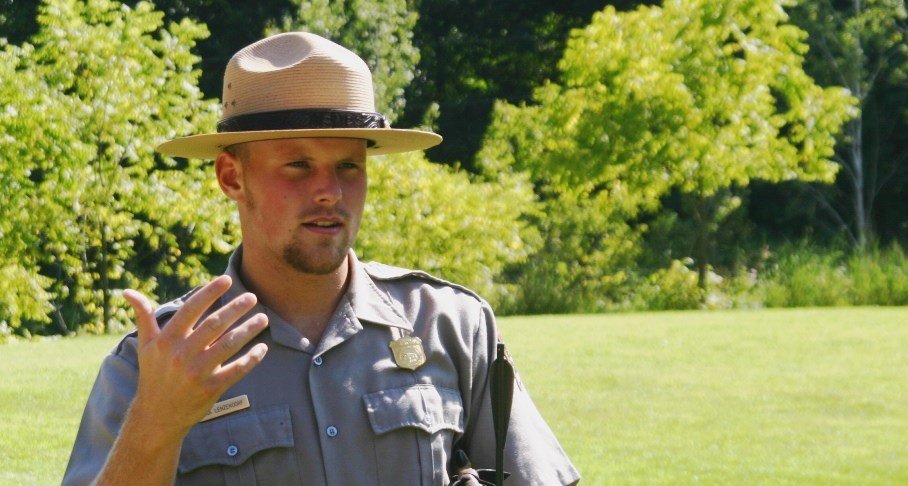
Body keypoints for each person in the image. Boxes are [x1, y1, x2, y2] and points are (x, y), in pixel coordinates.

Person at [62, 31, 580, 485]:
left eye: (349, 166)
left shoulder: (450, 325)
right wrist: (155, 424)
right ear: (230, 177)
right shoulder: (161, 358)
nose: (330, 190)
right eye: (298, 164)